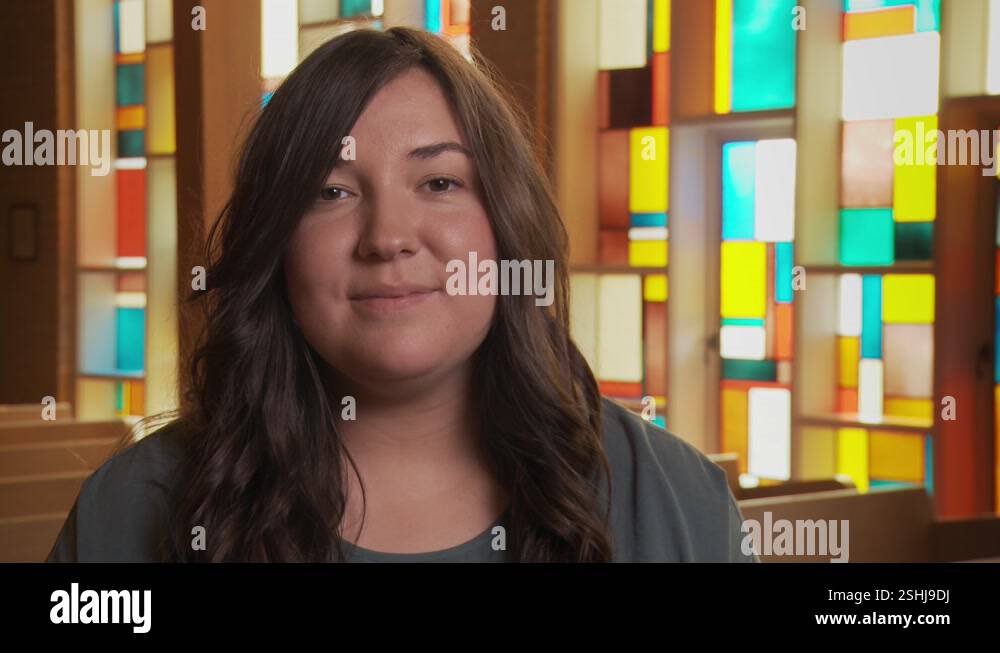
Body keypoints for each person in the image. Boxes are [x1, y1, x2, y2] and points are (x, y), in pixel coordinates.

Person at [48, 26, 756, 563]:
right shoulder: (133, 510)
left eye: (439, 183)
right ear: (276, 245)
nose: (387, 236)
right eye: (330, 192)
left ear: (508, 225)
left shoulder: (676, 503)